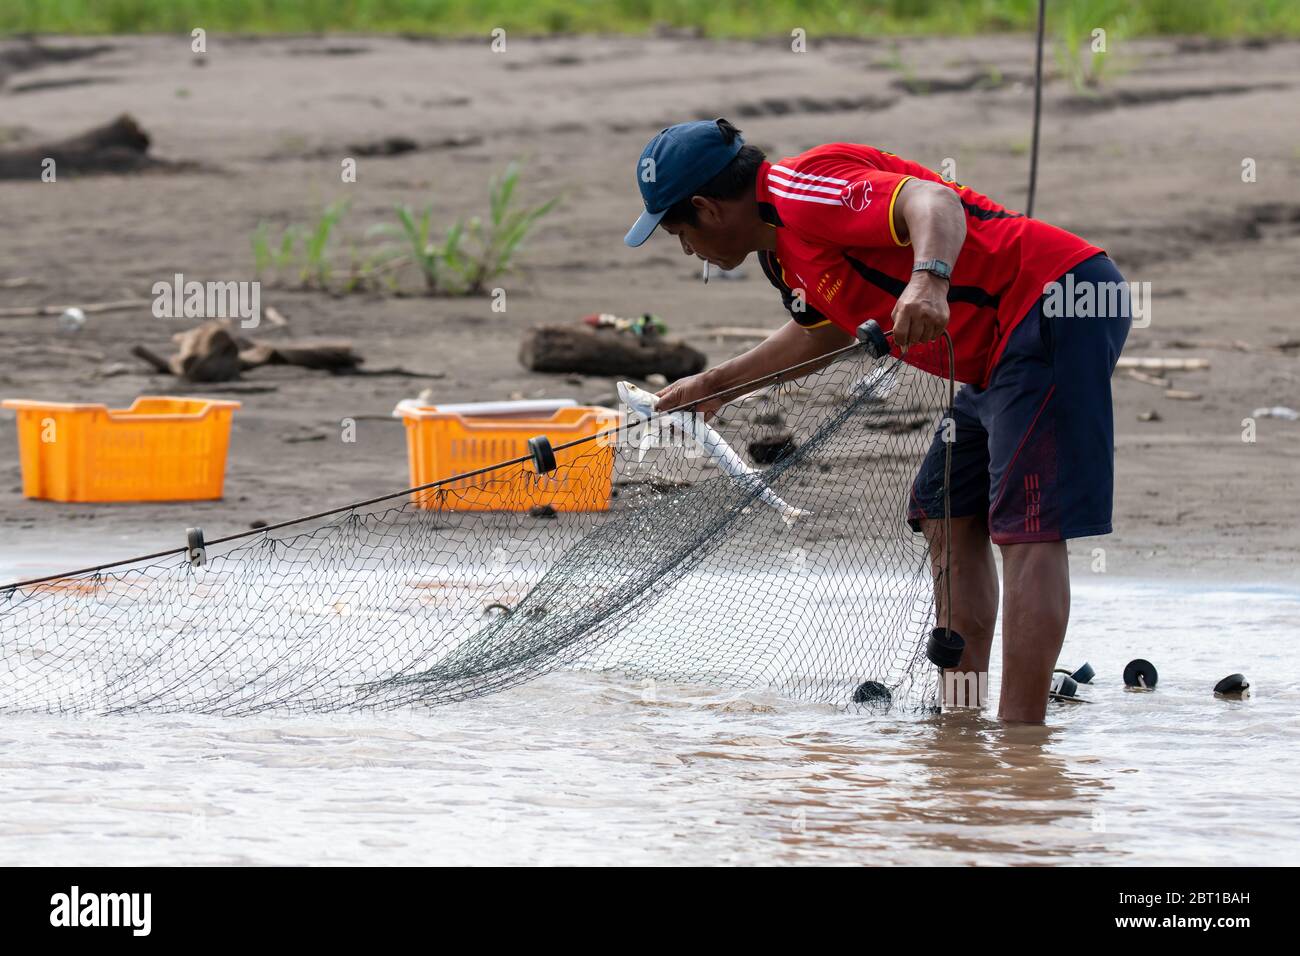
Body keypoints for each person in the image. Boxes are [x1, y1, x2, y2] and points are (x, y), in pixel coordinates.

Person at [624, 118, 1131, 723]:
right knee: (945, 505)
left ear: (707, 208)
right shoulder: (783, 255)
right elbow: (828, 329)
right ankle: (963, 722)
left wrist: (928, 281)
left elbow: (933, 200)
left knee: (1028, 526)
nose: (685, 248)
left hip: (1053, 302)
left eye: (679, 231)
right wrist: (715, 387)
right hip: (996, 350)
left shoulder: (798, 190)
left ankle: (1021, 739)